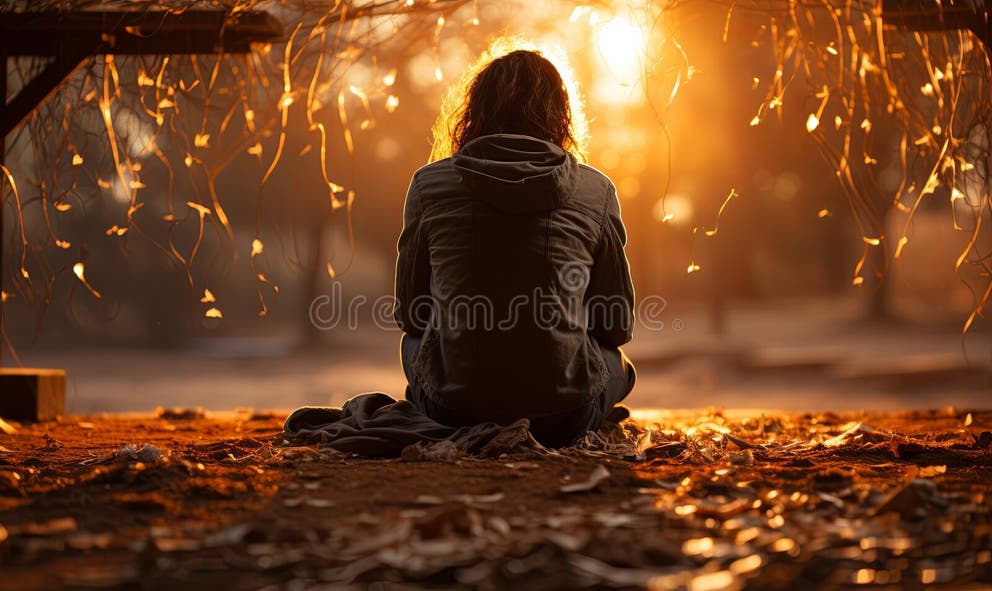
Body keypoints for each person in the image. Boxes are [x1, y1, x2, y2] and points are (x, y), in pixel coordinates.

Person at [394, 49, 636, 447]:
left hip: (454, 410)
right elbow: (616, 325)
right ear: (561, 114)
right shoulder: (597, 190)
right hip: (564, 417)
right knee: (621, 368)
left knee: (413, 345)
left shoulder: (427, 185)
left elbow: (411, 316)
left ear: (474, 111)